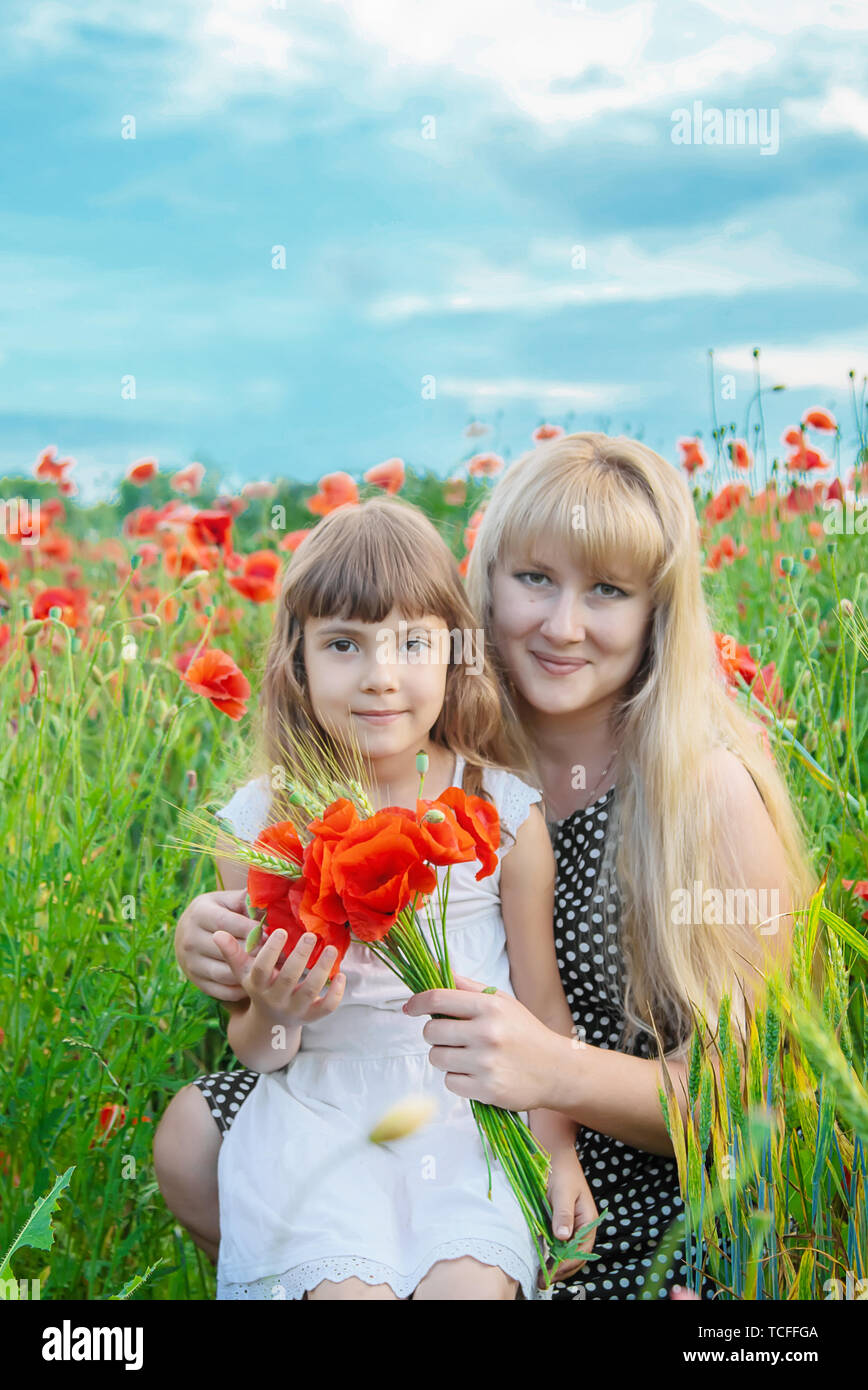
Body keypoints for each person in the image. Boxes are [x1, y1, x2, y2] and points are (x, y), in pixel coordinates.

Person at [156, 432, 815, 1299]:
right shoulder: (436, 739)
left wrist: (552, 1072)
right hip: (366, 1101)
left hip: (607, 1187)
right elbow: (273, 1005)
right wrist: (211, 938)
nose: (562, 624)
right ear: (482, 588)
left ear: (659, 613)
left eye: (608, 591)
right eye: (535, 579)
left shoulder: (702, 792)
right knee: (193, 1136)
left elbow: (757, 1105)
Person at [157, 494, 597, 1301]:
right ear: (297, 661)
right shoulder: (260, 829)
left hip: (470, 1121)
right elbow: (260, 1052)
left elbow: (543, 1007)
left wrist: (558, 1152)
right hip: (317, 1122)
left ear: (455, 654)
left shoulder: (503, 812)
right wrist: (280, 1010)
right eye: (343, 645)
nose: (380, 676)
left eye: (412, 642)